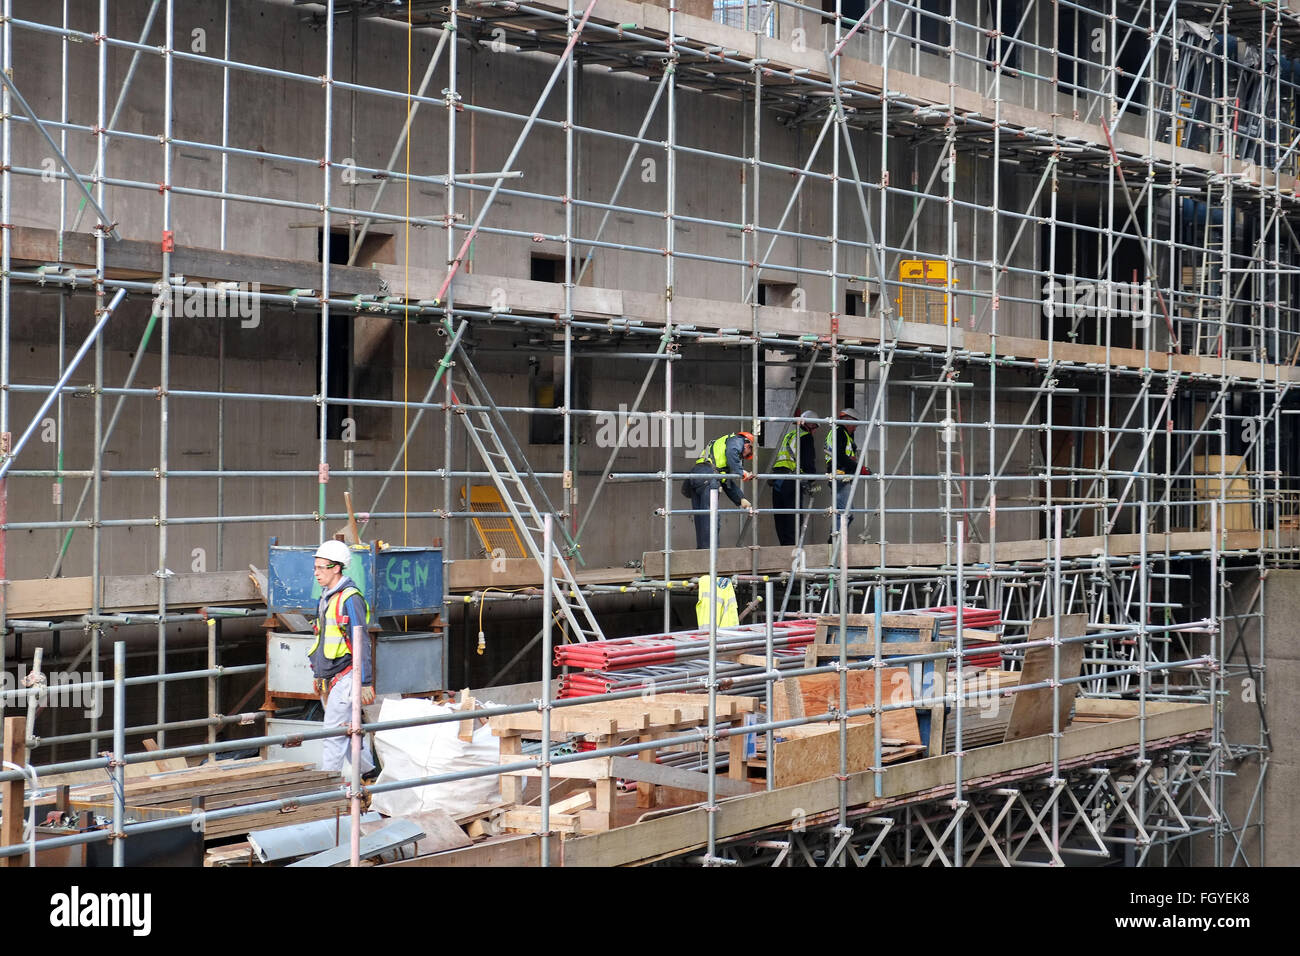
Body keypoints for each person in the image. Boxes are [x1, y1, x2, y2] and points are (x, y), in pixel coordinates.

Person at [307, 539, 376, 777]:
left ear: (336, 567)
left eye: (321, 568)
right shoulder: (326, 597)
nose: (316, 573)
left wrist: (365, 681)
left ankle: (328, 782)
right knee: (347, 730)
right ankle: (367, 773)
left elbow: (361, 641)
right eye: (315, 567)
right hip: (331, 677)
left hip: (345, 677)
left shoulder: (350, 599)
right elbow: (322, 639)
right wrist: (318, 674)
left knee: (333, 734)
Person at [683, 431, 754, 549]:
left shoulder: (719, 454)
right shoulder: (737, 440)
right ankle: (712, 557)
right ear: (747, 444)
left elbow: (725, 479)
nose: (743, 457)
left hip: (698, 475)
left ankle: (702, 553)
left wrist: (740, 499)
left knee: (701, 519)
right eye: (746, 455)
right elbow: (732, 452)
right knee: (712, 520)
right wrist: (741, 472)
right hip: (708, 477)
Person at [770, 410, 820, 546]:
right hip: (791, 480)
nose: (815, 431)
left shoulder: (789, 435)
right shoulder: (806, 437)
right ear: (809, 425)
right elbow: (808, 462)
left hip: (777, 479)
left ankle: (784, 548)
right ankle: (791, 552)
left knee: (781, 518)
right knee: (794, 518)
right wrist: (812, 481)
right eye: (815, 427)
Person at [825, 410, 870, 542]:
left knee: (845, 513)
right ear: (849, 421)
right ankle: (835, 545)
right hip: (839, 474)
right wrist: (859, 468)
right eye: (855, 424)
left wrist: (853, 463)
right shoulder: (840, 432)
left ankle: (835, 543)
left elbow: (843, 455)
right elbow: (839, 456)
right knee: (845, 513)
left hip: (842, 474)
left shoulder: (844, 434)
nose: (855, 427)